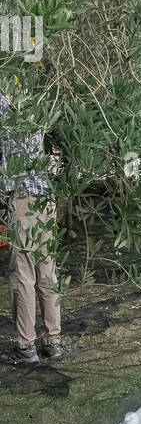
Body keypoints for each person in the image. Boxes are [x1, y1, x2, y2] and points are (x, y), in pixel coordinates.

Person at [0, 92, 61, 365]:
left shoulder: (4, 107)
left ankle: (27, 346)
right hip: (46, 197)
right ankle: (53, 341)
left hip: (23, 198)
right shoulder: (35, 101)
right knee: (46, 272)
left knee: (23, 274)